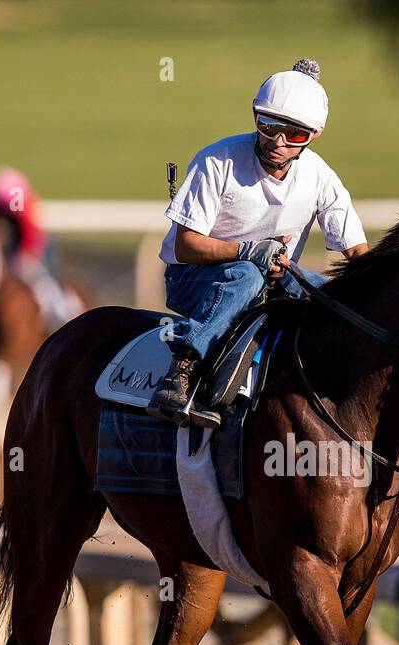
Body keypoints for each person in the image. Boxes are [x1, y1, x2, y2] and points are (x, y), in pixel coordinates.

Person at [148, 58, 369, 425]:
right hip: (193, 280)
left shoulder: (321, 178)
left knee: (333, 297)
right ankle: (183, 369)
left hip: (273, 280)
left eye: (293, 135)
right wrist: (249, 251)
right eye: (267, 126)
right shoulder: (216, 160)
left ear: (313, 136)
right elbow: (186, 245)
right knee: (247, 276)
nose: (277, 143)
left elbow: (359, 257)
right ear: (256, 118)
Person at [0, 167, 81, 333]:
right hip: (17, 246)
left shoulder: (27, 206)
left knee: (43, 281)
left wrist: (26, 258)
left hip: (39, 244)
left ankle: (66, 311)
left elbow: (33, 235)